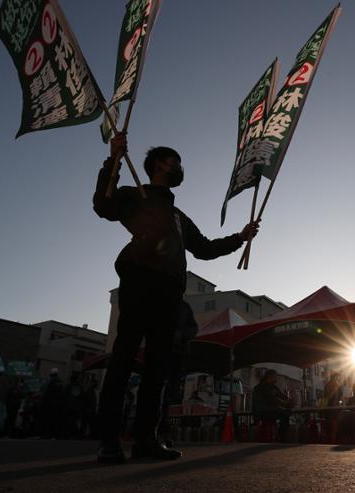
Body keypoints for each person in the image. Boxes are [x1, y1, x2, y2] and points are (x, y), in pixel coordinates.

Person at [93, 133, 259, 463]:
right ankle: (109, 442)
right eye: (174, 162)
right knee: (124, 357)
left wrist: (239, 238)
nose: (180, 167)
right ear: (158, 165)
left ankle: (145, 441)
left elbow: (205, 249)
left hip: (170, 291)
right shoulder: (135, 195)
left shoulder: (179, 217)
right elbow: (104, 205)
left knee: (158, 367)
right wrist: (113, 159)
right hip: (140, 280)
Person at [252, 370, 292, 442]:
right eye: (275, 377)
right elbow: (271, 399)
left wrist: (289, 399)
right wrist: (284, 402)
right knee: (284, 413)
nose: (276, 379)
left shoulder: (274, 387)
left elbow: (282, 396)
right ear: (270, 377)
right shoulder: (260, 387)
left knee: (286, 411)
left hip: (270, 410)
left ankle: (281, 434)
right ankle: (281, 436)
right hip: (262, 412)